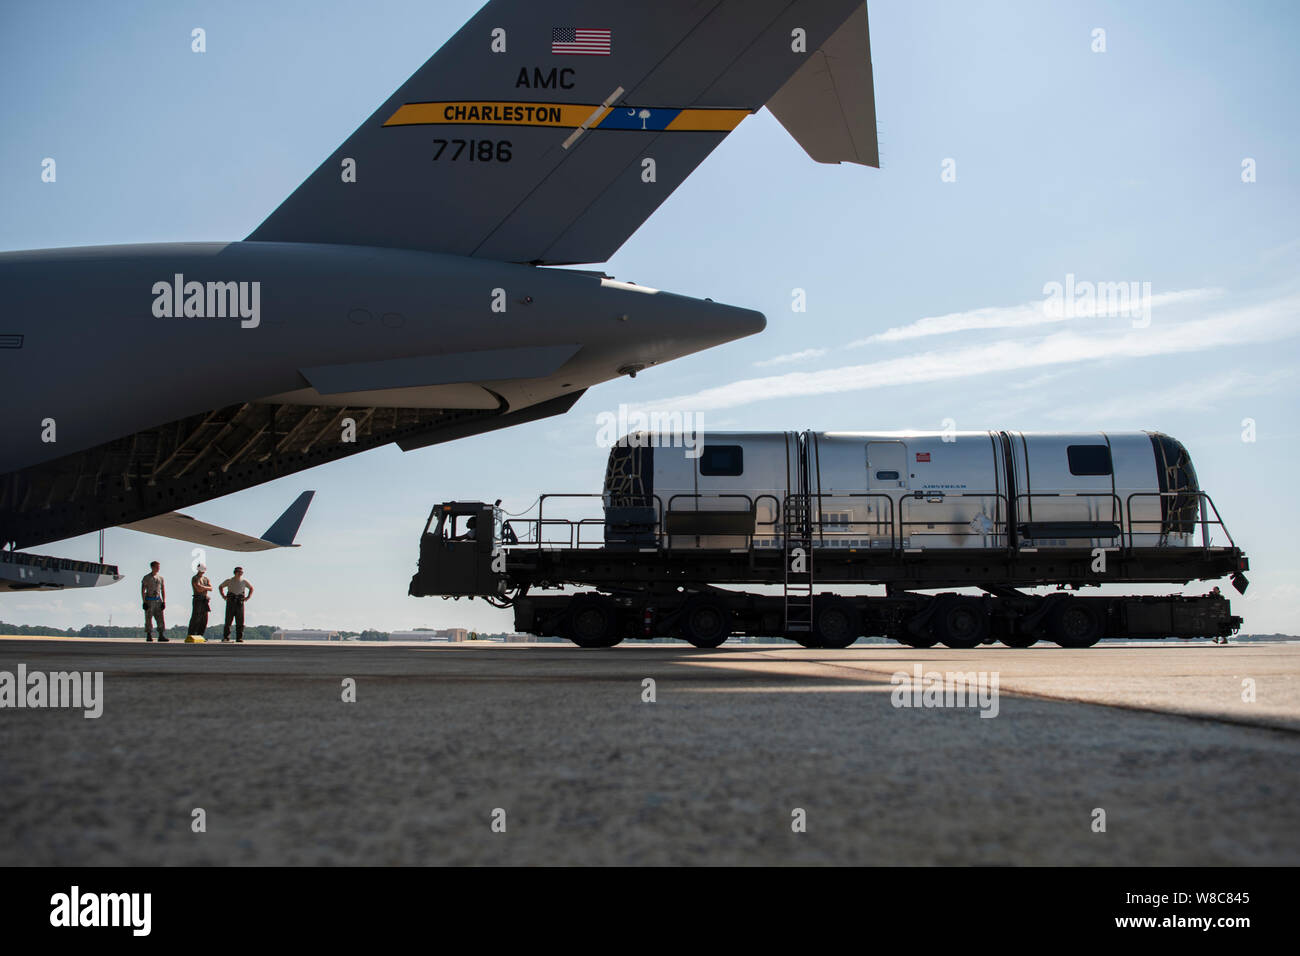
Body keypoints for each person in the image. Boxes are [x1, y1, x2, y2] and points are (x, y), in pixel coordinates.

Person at [219, 567, 254, 642]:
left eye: (242, 572)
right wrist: (223, 596)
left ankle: (239, 637)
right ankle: (226, 637)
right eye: (239, 572)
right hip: (231, 601)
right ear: (235, 572)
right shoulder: (229, 581)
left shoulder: (244, 581)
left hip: (240, 601)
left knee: (240, 620)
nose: (241, 573)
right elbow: (220, 587)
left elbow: (251, 588)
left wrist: (248, 597)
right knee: (228, 620)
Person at [141, 560, 168, 642]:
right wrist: (144, 602)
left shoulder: (160, 578)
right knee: (148, 618)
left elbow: (163, 590)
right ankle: (149, 635)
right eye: (157, 566)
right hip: (149, 600)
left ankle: (161, 635)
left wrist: (164, 601)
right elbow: (143, 590)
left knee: (160, 618)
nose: (158, 568)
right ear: (152, 567)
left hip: (158, 600)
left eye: (159, 567)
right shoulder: (146, 578)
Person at [188, 563, 213, 640]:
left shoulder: (206, 579)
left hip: (204, 600)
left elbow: (211, 588)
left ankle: (200, 635)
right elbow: (198, 589)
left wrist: (203, 587)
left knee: (204, 619)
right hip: (197, 599)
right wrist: (206, 588)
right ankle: (191, 634)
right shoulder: (195, 578)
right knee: (196, 617)